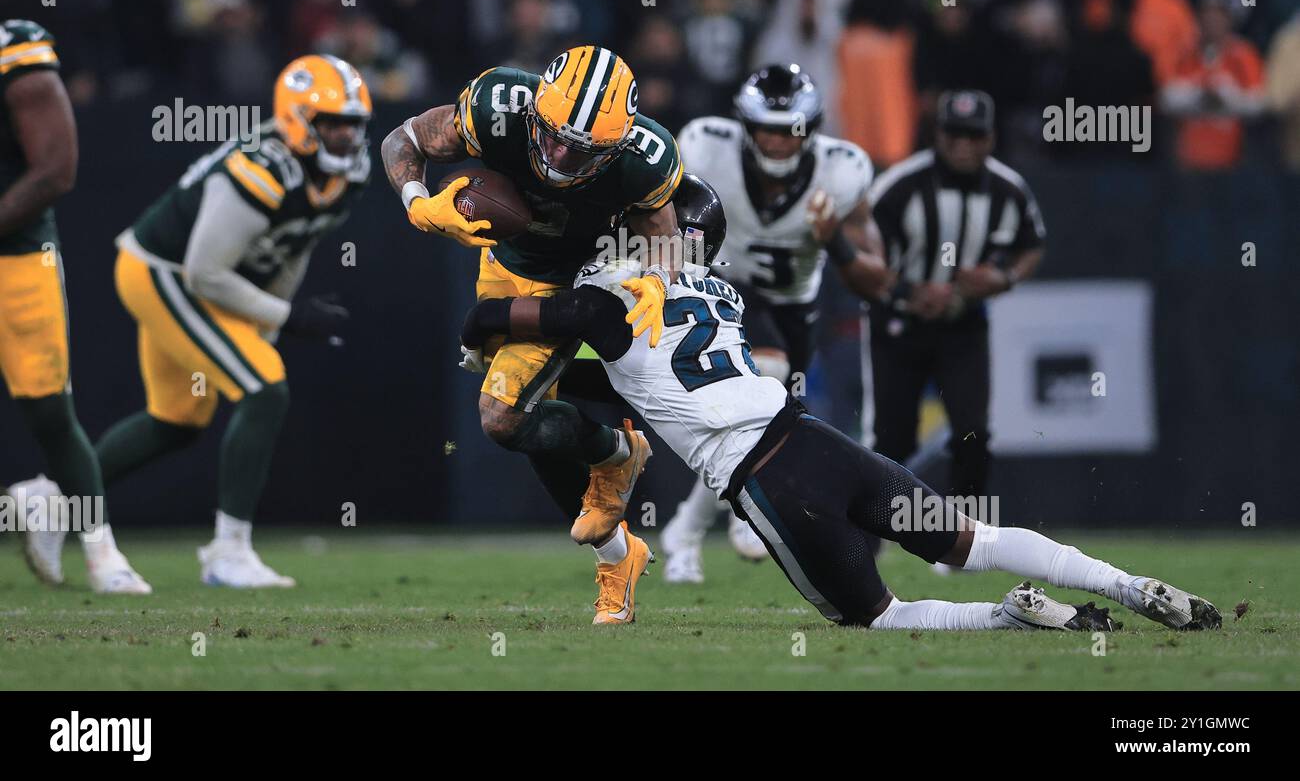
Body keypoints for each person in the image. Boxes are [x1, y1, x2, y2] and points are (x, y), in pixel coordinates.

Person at [458, 175, 1223, 633]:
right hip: (817, 439)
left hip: (767, 483)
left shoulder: (600, 305)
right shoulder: (716, 287)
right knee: (976, 539)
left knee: (879, 617)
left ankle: (1003, 616)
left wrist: (490, 308)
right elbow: (643, 378)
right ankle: (1125, 583)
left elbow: (501, 323)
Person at [379, 45, 683, 624]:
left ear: (617, 143)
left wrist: (658, 278)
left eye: (582, 148)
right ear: (536, 108)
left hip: (579, 284)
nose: (562, 154)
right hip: (503, 269)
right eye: (553, 135)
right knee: (534, 419)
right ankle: (619, 541)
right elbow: (405, 141)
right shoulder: (500, 103)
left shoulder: (644, 156)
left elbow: (666, 233)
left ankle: (616, 456)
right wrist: (416, 202)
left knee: (502, 416)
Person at [89, 55, 370, 588]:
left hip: (203, 280)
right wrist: (287, 318)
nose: (343, 136)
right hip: (164, 272)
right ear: (297, 118)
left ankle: (54, 500)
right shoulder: (260, 168)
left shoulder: (348, 174)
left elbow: (294, 246)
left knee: (177, 418)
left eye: (352, 124)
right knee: (265, 388)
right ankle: (228, 551)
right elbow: (204, 273)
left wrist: (271, 318)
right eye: (331, 122)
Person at [661, 64, 892, 582]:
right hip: (719, 287)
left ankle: (686, 528)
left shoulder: (843, 170)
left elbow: (876, 281)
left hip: (794, 307)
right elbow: (650, 210)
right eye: (768, 128)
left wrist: (834, 237)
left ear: (810, 129)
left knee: (758, 421)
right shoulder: (703, 145)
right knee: (766, 372)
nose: (779, 142)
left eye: (790, 129)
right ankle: (743, 511)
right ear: (745, 125)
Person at [0, 19, 149, 594]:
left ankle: (99, 548)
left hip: (14, 254)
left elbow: (56, 169)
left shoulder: (17, 53)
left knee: (49, 414)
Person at [865, 90, 1044, 524]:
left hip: (963, 325)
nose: (963, 144)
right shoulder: (900, 186)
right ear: (937, 135)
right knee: (893, 437)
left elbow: (1033, 245)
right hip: (899, 325)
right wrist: (908, 290)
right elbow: (861, 253)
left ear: (990, 138)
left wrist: (1004, 279)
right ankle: (876, 528)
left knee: (972, 432)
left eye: (973, 135)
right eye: (954, 134)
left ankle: (966, 536)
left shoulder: (1008, 189)